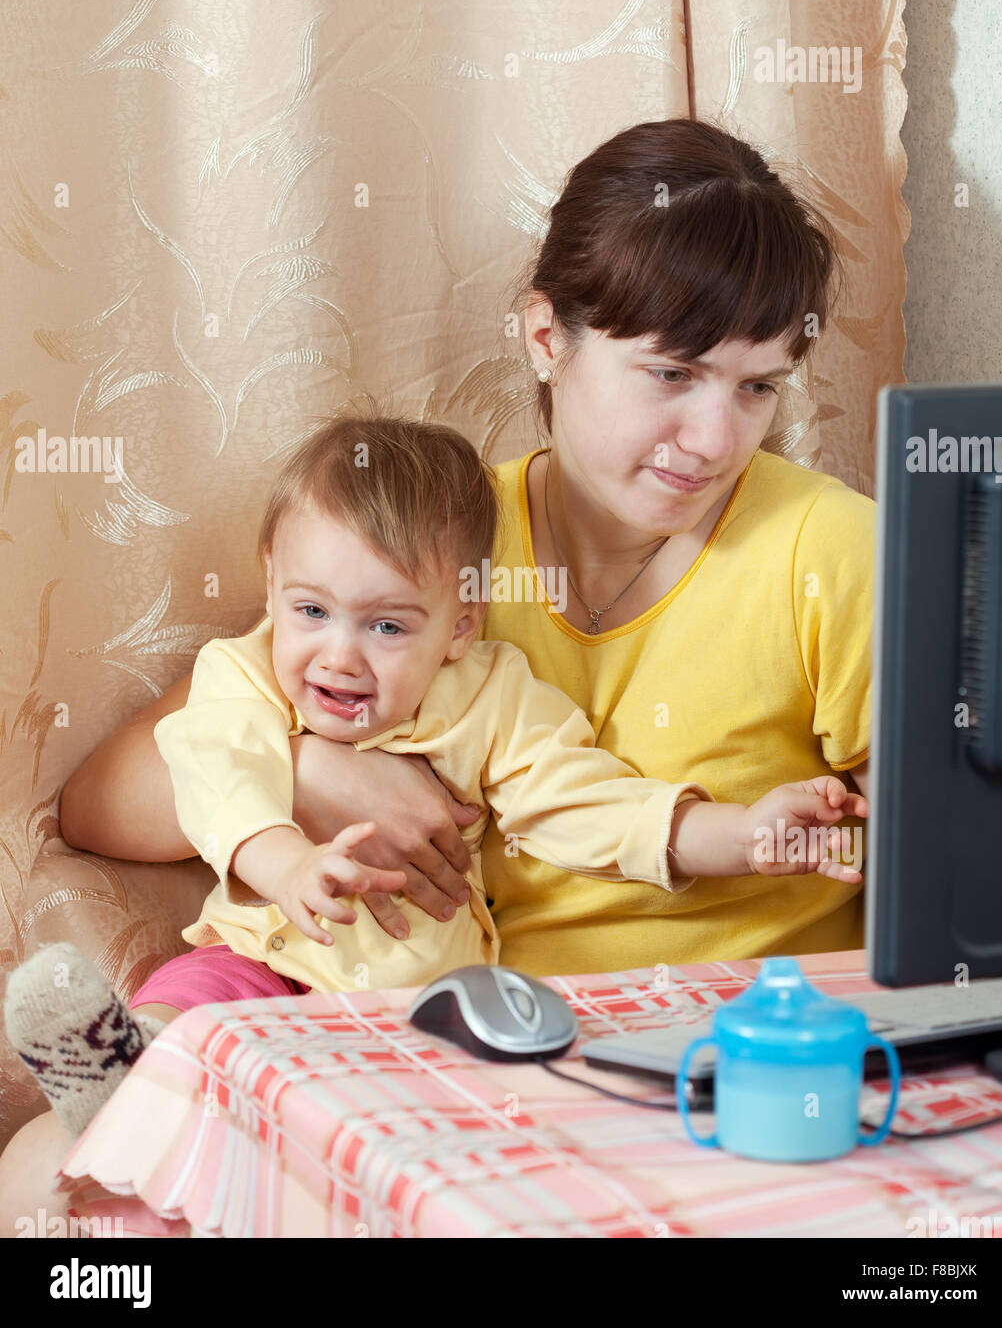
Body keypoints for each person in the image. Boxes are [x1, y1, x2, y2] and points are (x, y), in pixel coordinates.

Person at [0, 117, 875, 1232]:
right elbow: (102, 804)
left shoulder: (831, 552)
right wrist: (319, 768)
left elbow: (954, 874)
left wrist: (783, 833)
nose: (712, 436)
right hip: (435, 1047)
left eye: (757, 388)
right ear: (545, 336)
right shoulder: (428, 535)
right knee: (59, 1185)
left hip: (703, 1069)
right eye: (672, 372)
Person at [5, 411, 863, 1139]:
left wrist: (745, 835)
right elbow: (217, 765)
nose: (338, 656)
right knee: (191, 998)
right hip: (263, 958)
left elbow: (586, 804)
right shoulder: (250, 670)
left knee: (445, 1089)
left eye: (387, 626)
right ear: (272, 587)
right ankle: (123, 1063)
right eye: (310, 611)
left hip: (409, 1008)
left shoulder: (490, 697)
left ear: (460, 624)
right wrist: (285, 865)